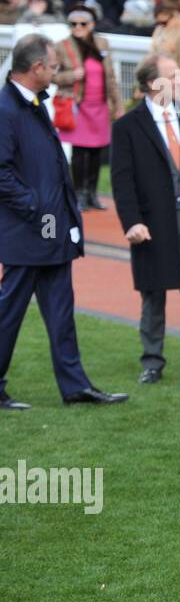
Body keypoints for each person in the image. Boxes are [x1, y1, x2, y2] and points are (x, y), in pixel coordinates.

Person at [0, 34, 128, 409]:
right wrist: (37, 208)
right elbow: (2, 172)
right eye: (54, 66)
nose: (59, 72)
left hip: (49, 229)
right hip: (28, 231)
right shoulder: (7, 108)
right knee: (9, 312)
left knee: (61, 311)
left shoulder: (31, 103)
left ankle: (75, 386)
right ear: (36, 68)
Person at [110, 56, 180, 386]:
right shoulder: (127, 127)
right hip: (152, 224)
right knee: (153, 293)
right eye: (173, 76)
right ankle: (152, 362)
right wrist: (131, 222)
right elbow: (122, 180)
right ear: (152, 84)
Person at [53, 4, 123, 211]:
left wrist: (117, 105)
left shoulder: (102, 43)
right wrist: (71, 76)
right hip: (78, 104)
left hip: (100, 105)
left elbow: (110, 76)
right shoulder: (62, 46)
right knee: (80, 151)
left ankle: (92, 193)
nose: (77, 27)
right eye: (73, 24)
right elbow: (53, 76)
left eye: (82, 24)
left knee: (96, 151)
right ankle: (79, 193)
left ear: (91, 25)